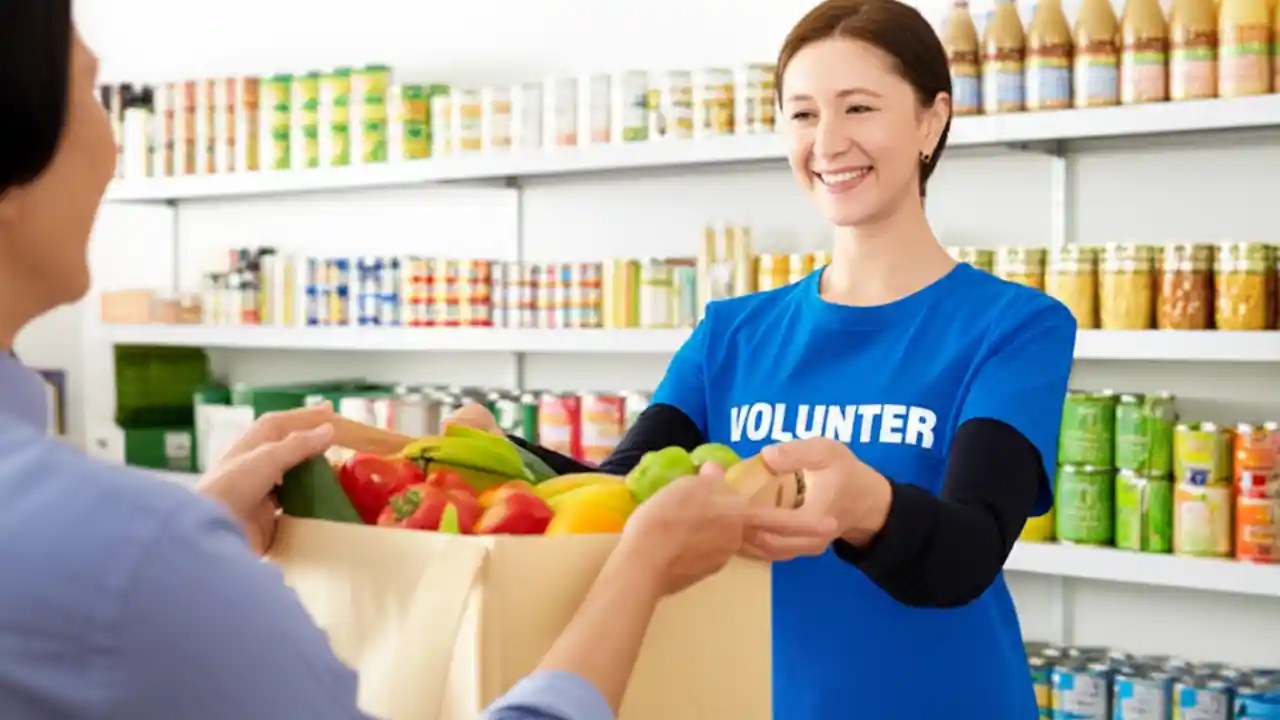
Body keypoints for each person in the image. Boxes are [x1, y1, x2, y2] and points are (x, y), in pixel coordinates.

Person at [0, 3, 759, 719]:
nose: (115, 143)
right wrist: (638, 571)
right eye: (92, 92)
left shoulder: (109, 546)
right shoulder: (126, 554)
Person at [452, 0, 1078, 717]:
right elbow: (626, 496)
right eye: (804, 114)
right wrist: (501, 453)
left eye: (860, 107)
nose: (829, 141)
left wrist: (866, 506)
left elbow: (967, 552)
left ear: (932, 121)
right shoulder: (732, 332)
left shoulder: (1014, 326)